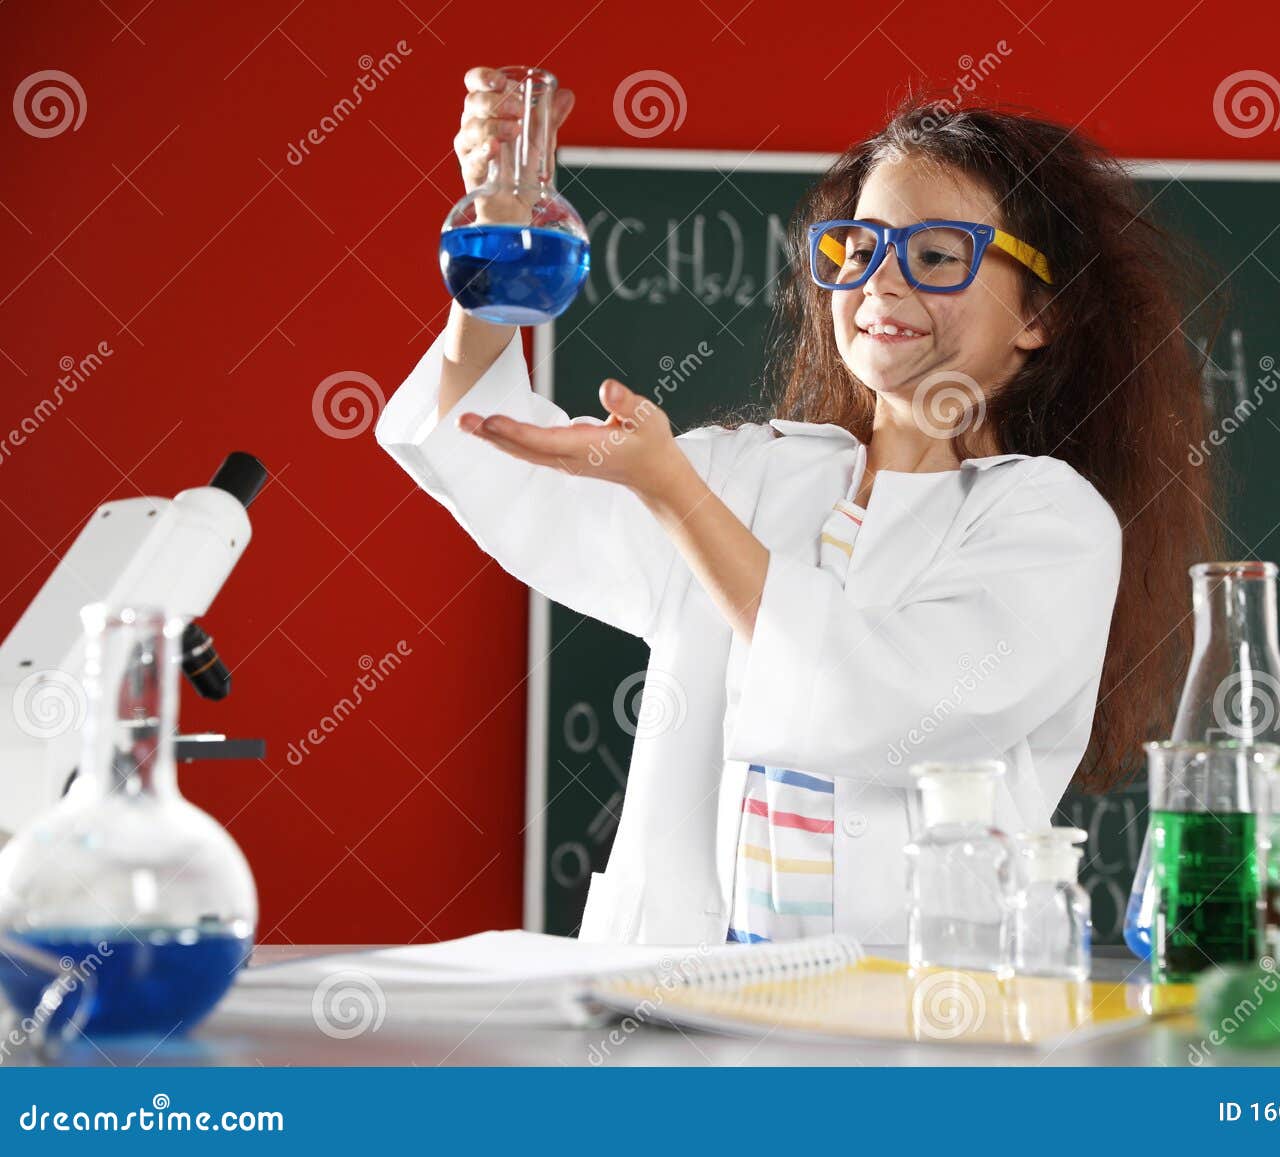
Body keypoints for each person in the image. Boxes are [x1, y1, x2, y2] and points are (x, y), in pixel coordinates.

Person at [376, 70, 1218, 946]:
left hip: (914, 1019)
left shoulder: (1052, 526)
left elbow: (883, 703)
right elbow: (515, 479)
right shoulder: (754, 473)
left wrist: (676, 494)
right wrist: (495, 228)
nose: (881, 284)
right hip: (683, 1002)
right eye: (857, 250)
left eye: (935, 255)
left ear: (1040, 312)